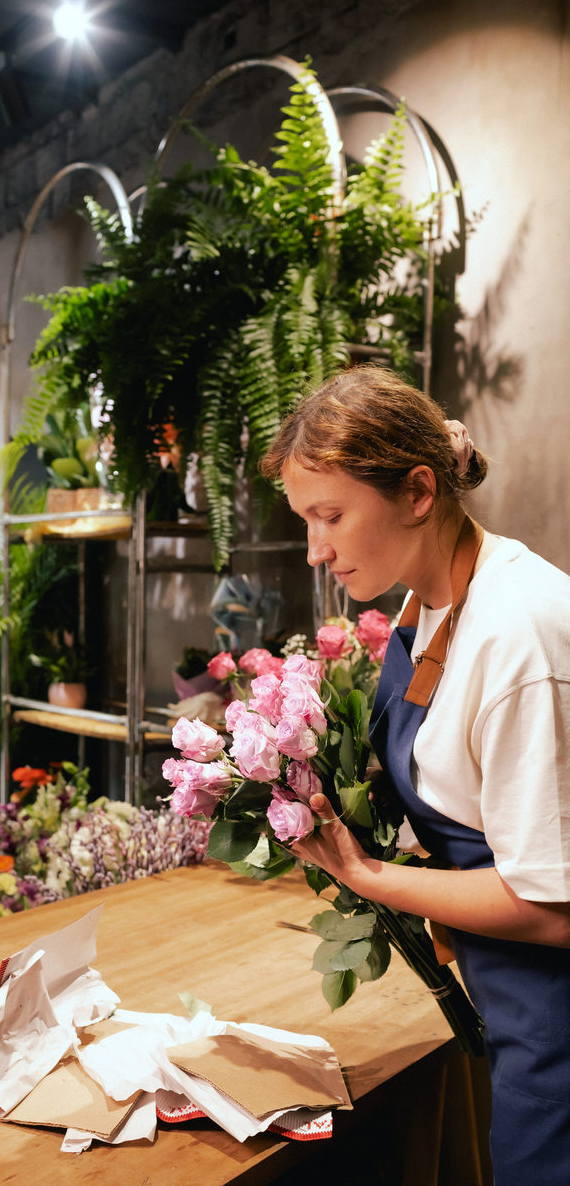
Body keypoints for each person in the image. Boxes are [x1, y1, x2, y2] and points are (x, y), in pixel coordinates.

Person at [260, 364, 570, 1185]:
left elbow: (550, 907)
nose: (317, 549)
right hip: (507, 1002)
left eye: (332, 515)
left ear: (420, 490)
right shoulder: (431, 598)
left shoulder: (518, 638)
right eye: (305, 519)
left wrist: (369, 874)